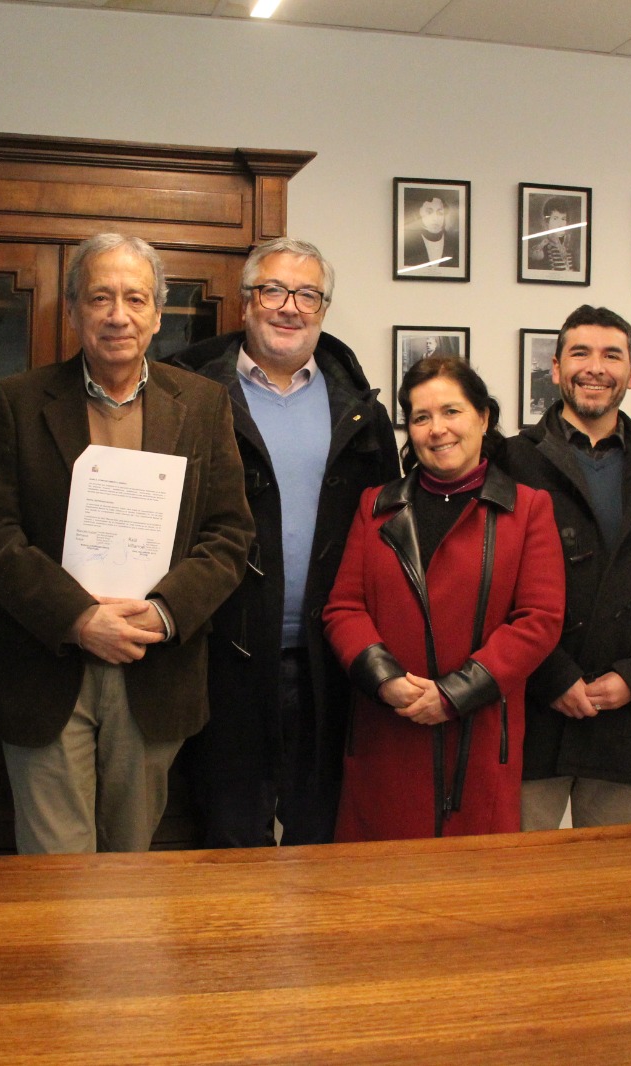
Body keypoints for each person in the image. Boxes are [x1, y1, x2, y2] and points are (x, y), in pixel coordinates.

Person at [0, 233, 253, 854]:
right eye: (100, 297)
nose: (117, 314)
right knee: (53, 870)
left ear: (156, 313)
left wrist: (162, 613)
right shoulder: (17, 401)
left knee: (130, 866)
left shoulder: (203, 405)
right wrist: (78, 618)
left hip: (154, 666)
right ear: (72, 310)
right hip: (48, 664)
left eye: (134, 298)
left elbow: (229, 534)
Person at [168, 239, 397, 848]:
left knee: (322, 844)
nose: (289, 307)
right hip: (223, 659)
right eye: (274, 290)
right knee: (227, 844)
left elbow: (390, 537)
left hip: (329, 665)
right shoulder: (189, 394)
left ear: (323, 309)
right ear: (246, 303)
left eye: (308, 295)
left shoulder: (360, 409)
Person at [323, 357, 565, 841]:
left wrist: (453, 696)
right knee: (376, 898)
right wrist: (386, 681)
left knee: (470, 900)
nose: (438, 429)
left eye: (451, 411)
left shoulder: (528, 509)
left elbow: (539, 620)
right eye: (420, 417)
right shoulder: (375, 505)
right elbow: (343, 609)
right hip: (386, 735)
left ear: (483, 417)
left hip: (478, 742)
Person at [506, 306, 631, 831]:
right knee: (518, 885)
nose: (595, 367)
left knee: (612, 891)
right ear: (554, 368)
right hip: (531, 709)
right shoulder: (508, 463)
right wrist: (553, 675)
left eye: (611, 355)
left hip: (630, 718)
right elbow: (491, 587)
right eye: (580, 353)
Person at [403, 194, 459, 268]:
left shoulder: (455, 244)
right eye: (429, 212)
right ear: (419, 213)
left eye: (440, 213)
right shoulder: (407, 243)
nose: (435, 218)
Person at [529, 196, 577, 272]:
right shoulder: (540, 251)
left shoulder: (570, 251)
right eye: (555, 218)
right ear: (547, 222)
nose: (560, 224)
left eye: (563, 219)